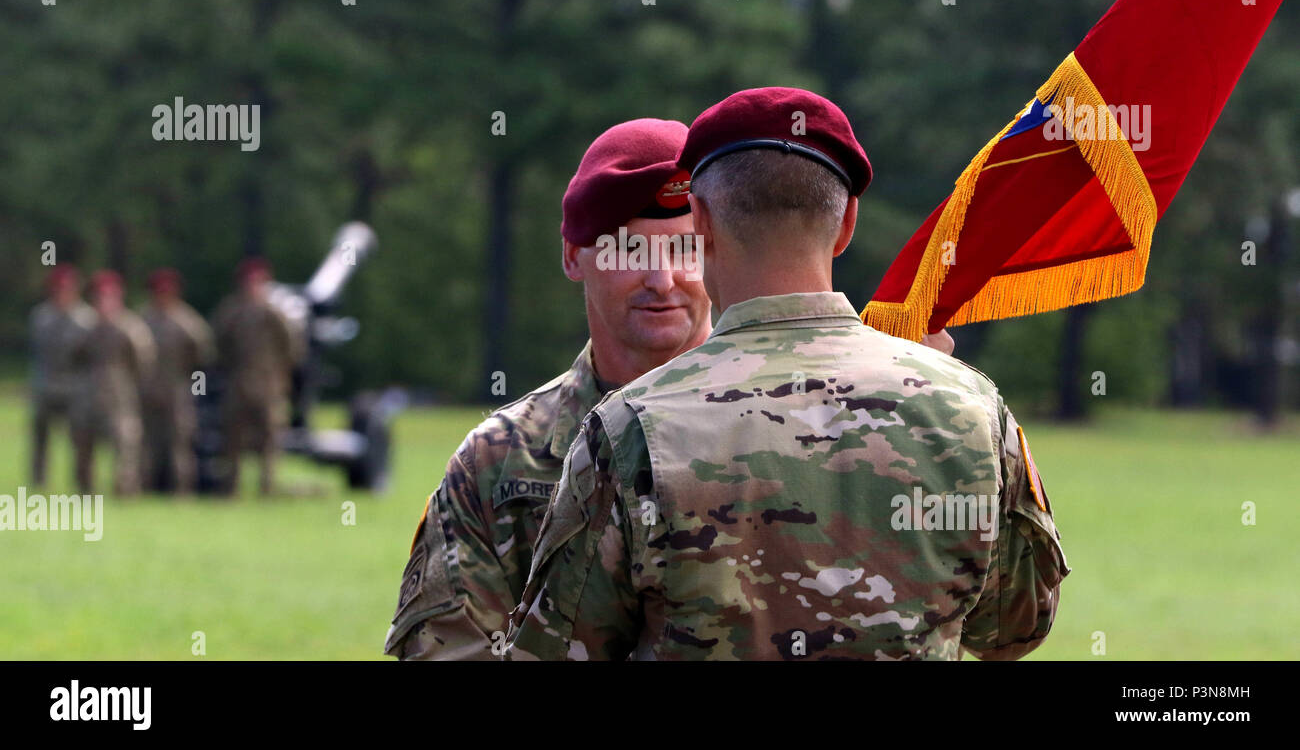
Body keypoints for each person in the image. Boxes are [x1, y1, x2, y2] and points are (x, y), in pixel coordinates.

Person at [507, 87, 1069, 661]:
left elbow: (554, 650)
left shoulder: (628, 428)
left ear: (698, 220)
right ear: (848, 222)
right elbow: (1014, 629)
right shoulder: (969, 408)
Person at [385, 119, 713, 660]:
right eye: (628, 250)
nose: (661, 278)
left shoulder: (778, 433)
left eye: (685, 249)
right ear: (572, 256)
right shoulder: (496, 461)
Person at [212, 258, 298, 496]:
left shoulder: (275, 315)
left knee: (270, 437)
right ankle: (231, 487)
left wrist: (280, 374)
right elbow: (220, 345)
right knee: (233, 437)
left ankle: (267, 487)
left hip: (269, 385)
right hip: (238, 383)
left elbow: (291, 347)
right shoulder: (231, 312)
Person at [69, 270, 155, 495]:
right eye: (99, 298)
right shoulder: (84, 328)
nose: (104, 303)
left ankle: (125, 491)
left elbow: (143, 364)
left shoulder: (131, 328)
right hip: (88, 394)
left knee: (125, 443)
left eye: (109, 297)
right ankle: (84, 492)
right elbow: (74, 358)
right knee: (82, 443)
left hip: (120, 395)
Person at [140, 268, 214, 494]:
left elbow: (203, 357)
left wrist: (196, 388)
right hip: (148, 389)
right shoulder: (142, 320)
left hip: (178, 390)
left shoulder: (188, 322)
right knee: (147, 443)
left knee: (180, 443)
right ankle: (145, 487)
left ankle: (182, 490)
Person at [28, 264, 96, 489]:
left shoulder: (87, 319)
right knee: (40, 438)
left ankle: (82, 484)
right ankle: (39, 483)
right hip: (46, 385)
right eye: (57, 289)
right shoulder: (40, 316)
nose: (61, 293)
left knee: (81, 438)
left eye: (66, 289)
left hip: (75, 387)